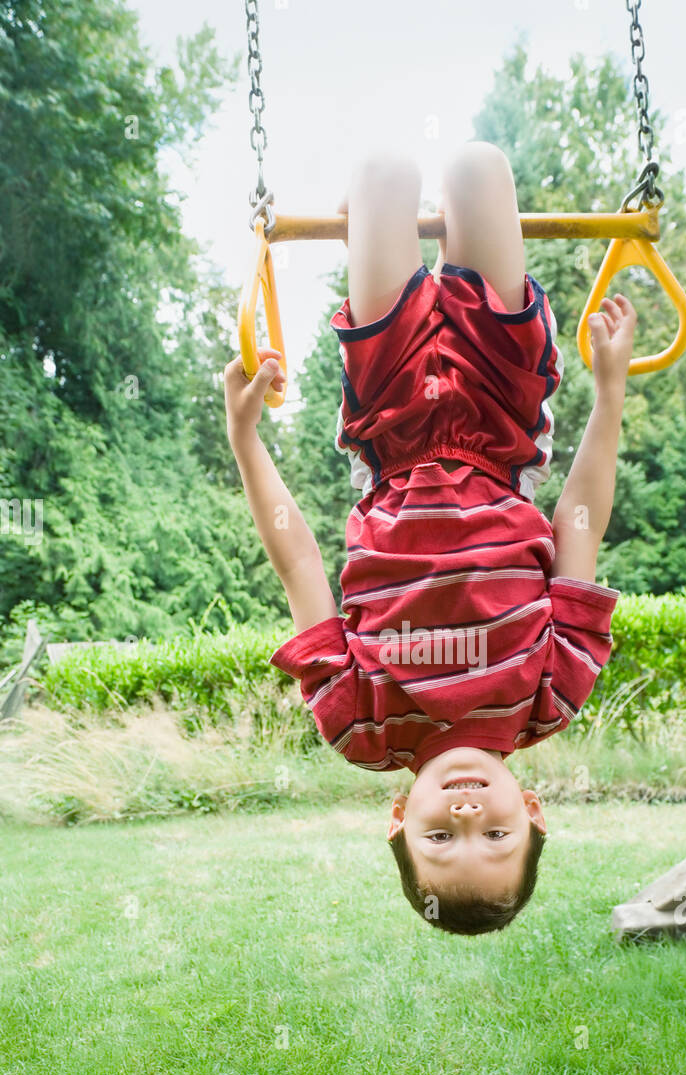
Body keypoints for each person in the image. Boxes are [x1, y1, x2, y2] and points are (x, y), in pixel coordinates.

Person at [224, 141, 636, 936]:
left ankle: (370, 223)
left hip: (391, 425)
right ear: (533, 809)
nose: (467, 809)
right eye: (497, 833)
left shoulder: (360, 721)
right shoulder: (553, 692)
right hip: (499, 417)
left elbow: (301, 561)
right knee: (480, 169)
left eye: (441, 837)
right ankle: (401, 237)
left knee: (381, 172)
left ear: (398, 818)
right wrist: (610, 394)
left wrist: (245, 443)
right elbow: (579, 521)